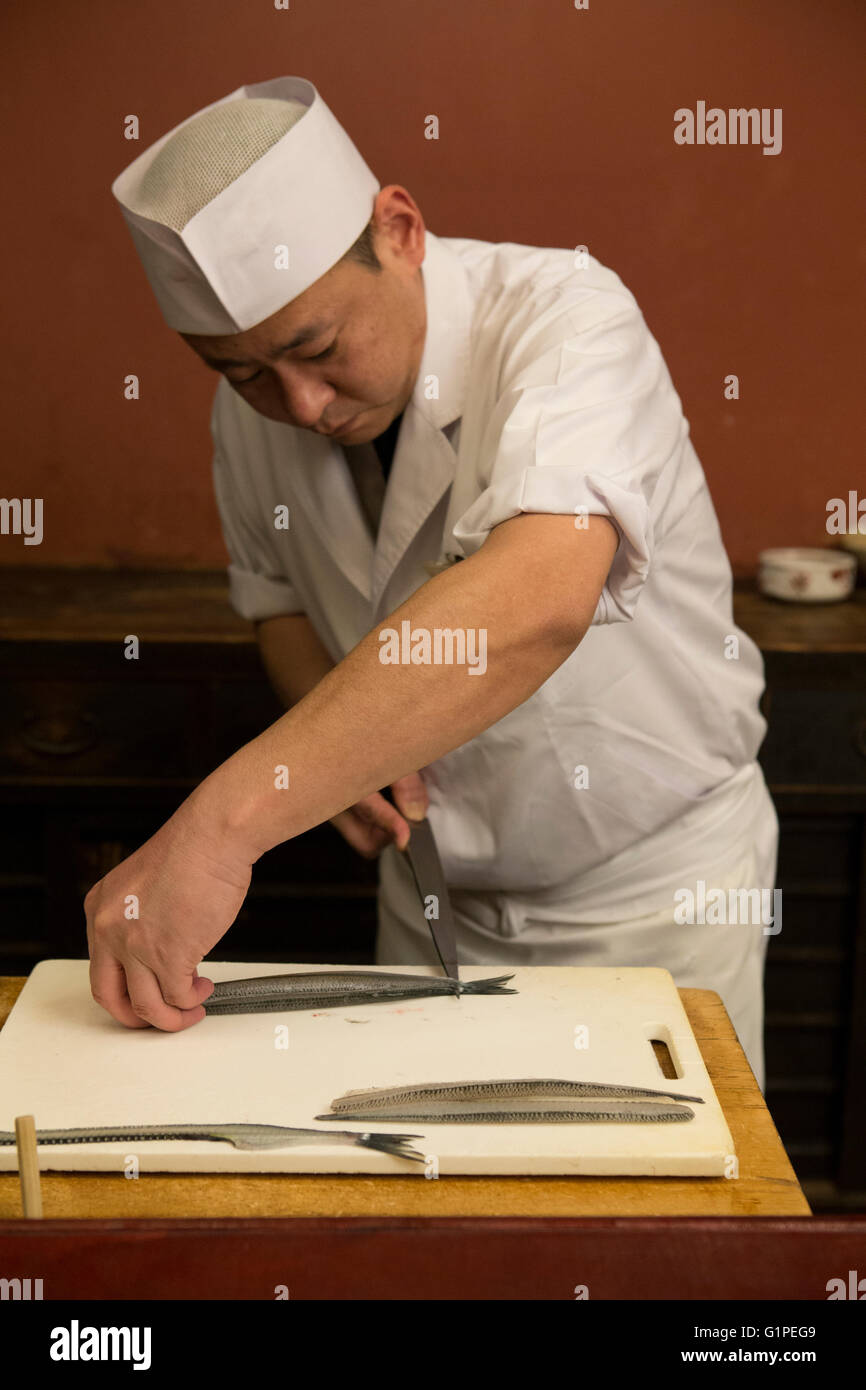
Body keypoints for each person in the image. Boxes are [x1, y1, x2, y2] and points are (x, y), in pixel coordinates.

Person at [94, 76, 778, 1090]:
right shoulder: (257, 408)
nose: (301, 403)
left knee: (657, 1238)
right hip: (426, 896)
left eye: (316, 347)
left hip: (650, 897)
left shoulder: (568, 321)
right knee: (431, 1219)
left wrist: (222, 826)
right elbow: (278, 598)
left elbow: (541, 596)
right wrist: (344, 757)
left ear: (400, 229)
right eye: (236, 372)